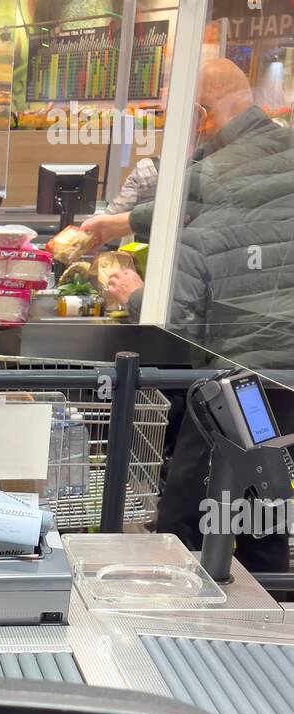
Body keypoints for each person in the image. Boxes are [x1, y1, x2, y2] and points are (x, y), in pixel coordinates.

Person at [93, 60, 294, 570]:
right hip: (283, 381)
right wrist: (121, 222)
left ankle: (179, 638)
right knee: (264, 517)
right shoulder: (279, 156)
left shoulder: (205, 193)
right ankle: (263, 633)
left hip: (238, 386)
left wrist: (134, 295)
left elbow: (179, 326)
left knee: (189, 521)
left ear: (200, 113)